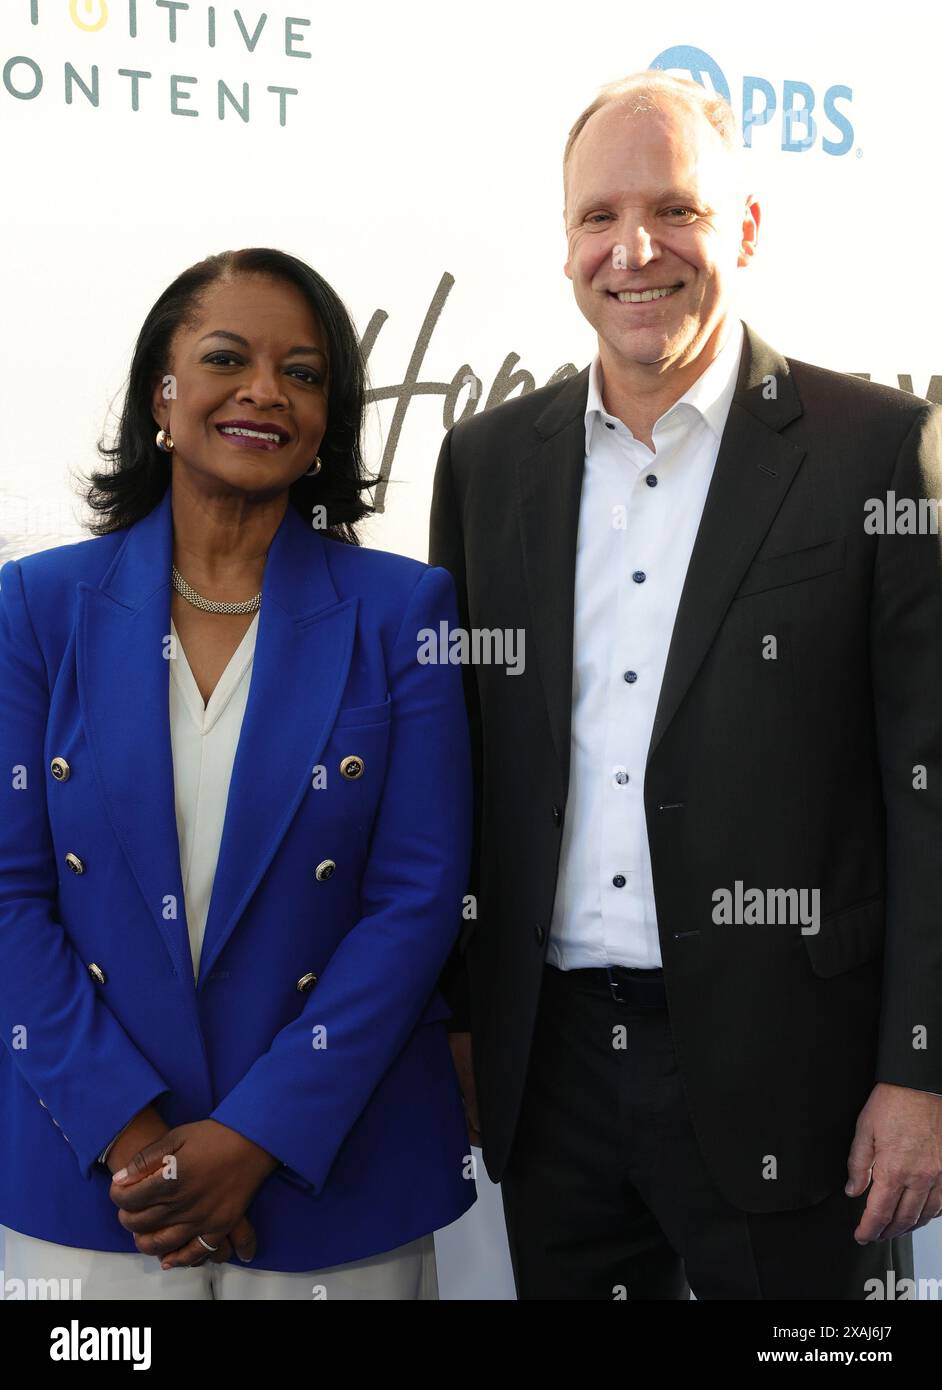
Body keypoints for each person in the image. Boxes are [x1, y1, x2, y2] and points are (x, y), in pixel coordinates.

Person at [431, 72, 942, 1299]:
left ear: (746, 229)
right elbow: (460, 774)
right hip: (551, 1076)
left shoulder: (877, 446)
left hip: (805, 1084)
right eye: (598, 218)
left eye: (676, 211)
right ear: (565, 246)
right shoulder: (488, 462)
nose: (634, 250)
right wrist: (459, 1032)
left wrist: (919, 1069)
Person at [0, 246, 474, 1299]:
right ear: (160, 395)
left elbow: (417, 902)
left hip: (332, 1179)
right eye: (228, 358)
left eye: (304, 374)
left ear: (325, 423)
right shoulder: (36, 609)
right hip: (93, 1182)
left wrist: (257, 1135)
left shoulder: (406, 613)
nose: (266, 390)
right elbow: (9, 895)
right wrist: (135, 1141)